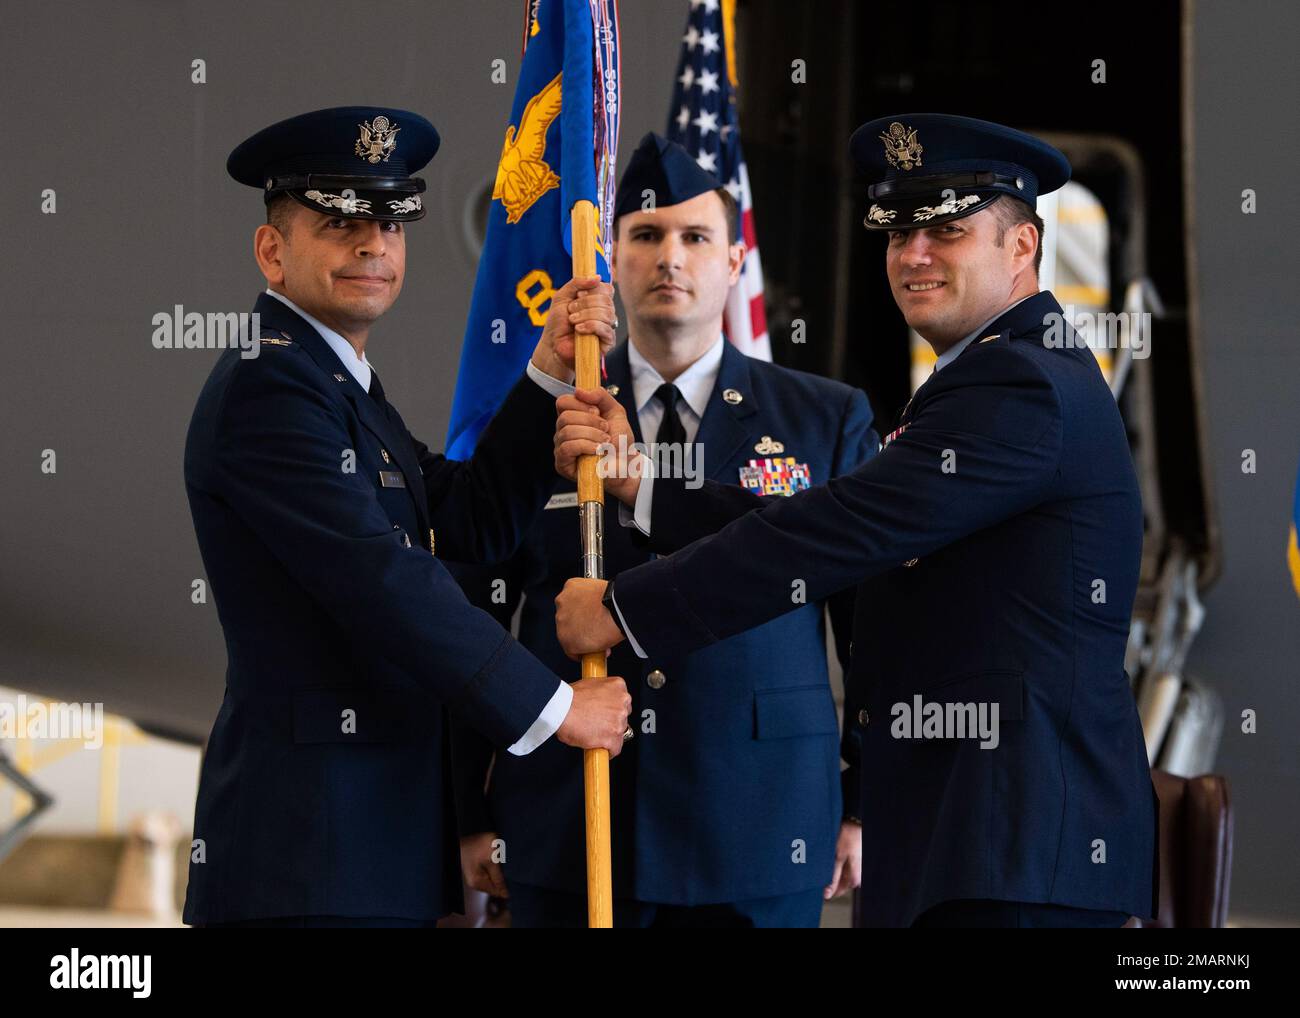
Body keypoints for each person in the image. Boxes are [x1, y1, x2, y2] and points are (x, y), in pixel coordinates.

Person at [553, 114, 1159, 929]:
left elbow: (837, 531)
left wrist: (625, 610)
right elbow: (842, 520)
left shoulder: (1019, 384)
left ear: (1023, 247)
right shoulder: (985, 376)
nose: (914, 253)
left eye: (947, 228)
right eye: (898, 229)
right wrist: (647, 491)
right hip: (976, 839)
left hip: (1015, 846)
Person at [182, 106, 630, 928]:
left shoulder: (336, 380)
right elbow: (383, 579)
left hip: (365, 838)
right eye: (341, 222)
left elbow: (459, 523)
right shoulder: (270, 390)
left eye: (390, 221)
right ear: (272, 252)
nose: (373, 245)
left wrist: (547, 374)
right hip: (308, 861)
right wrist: (556, 708)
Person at [451, 134, 878, 927]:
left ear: (734, 260)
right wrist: (469, 806)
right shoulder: (543, 415)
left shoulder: (824, 420)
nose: (669, 257)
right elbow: (473, 610)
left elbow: (870, 627)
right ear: (611, 261)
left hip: (758, 825)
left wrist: (860, 800)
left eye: (695, 237)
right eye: (645, 236)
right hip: (570, 819)